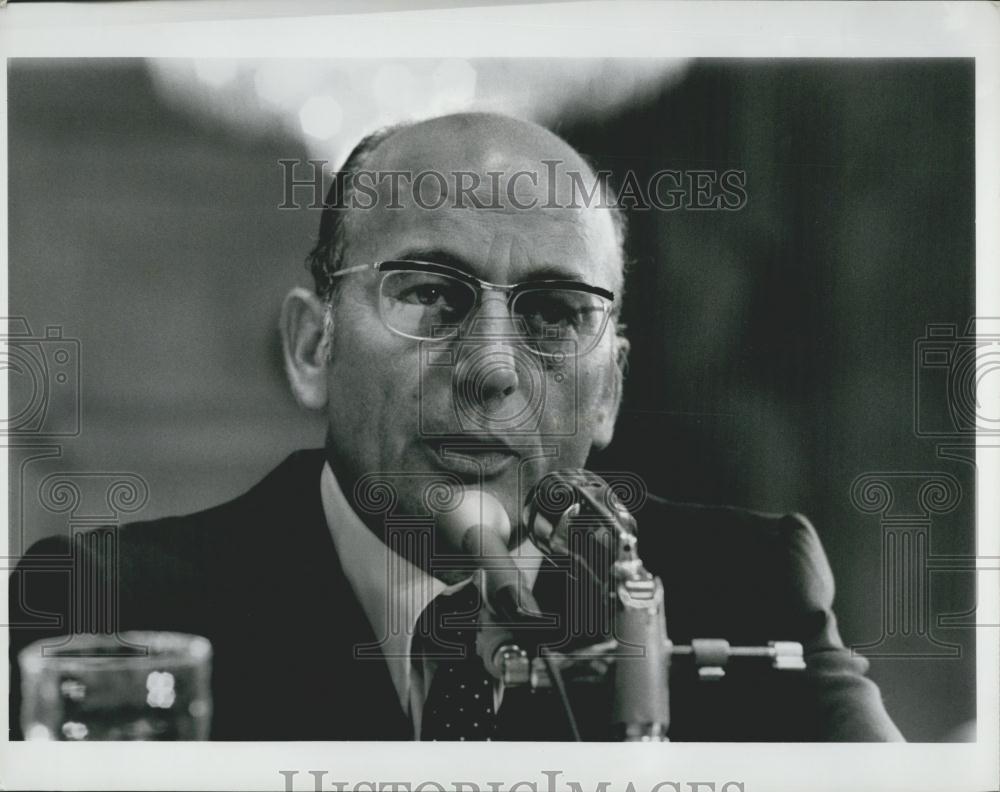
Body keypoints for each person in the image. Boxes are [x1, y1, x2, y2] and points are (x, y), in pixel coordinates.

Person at [8, 112, 903, 741]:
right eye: (431, 296)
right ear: (313, 344)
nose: (492, 368)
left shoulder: (745, 586)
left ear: (609, 391)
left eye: (554, 313)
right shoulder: (111, 605)